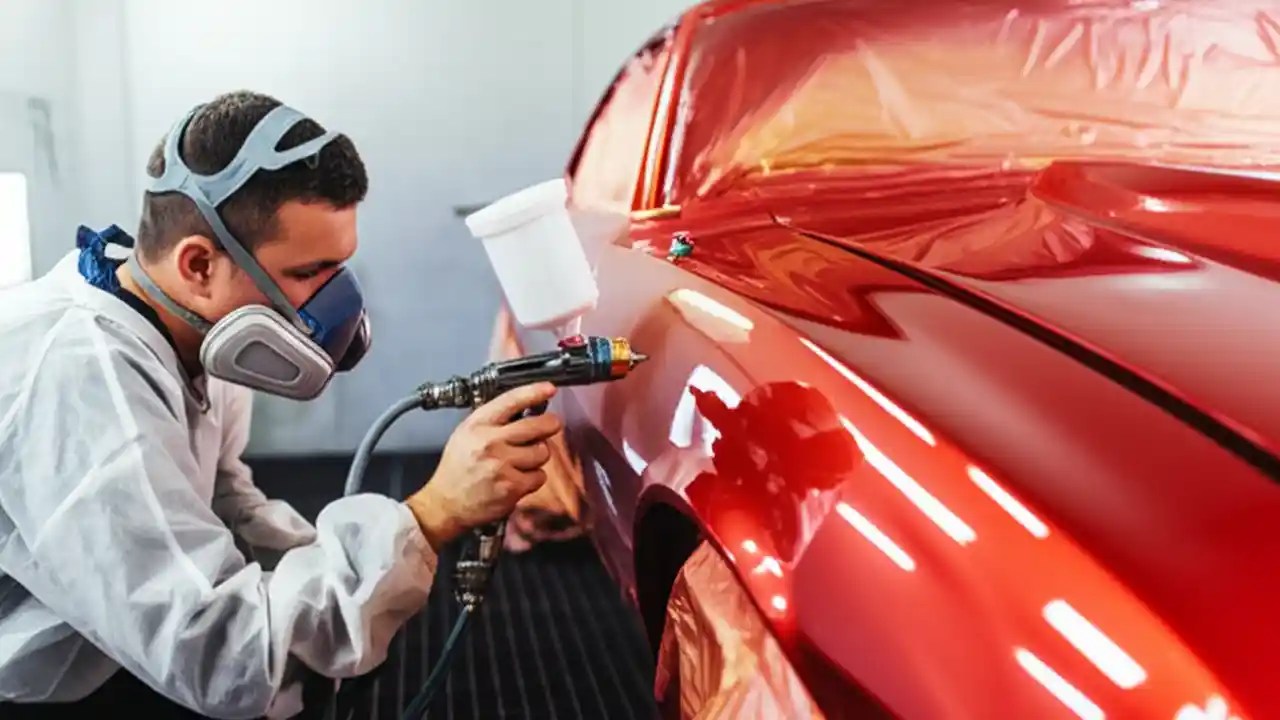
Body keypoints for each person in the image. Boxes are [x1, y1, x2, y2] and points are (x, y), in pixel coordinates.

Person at [0, 90, 562, 718]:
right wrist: (427, 516)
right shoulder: (82, 384)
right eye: (309, 273)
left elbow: (219, 499)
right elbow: (214, 653)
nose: (335, 304)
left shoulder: (196, 331)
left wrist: (346, 573)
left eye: (340, 270)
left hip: (113, 640)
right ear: (198, 265)